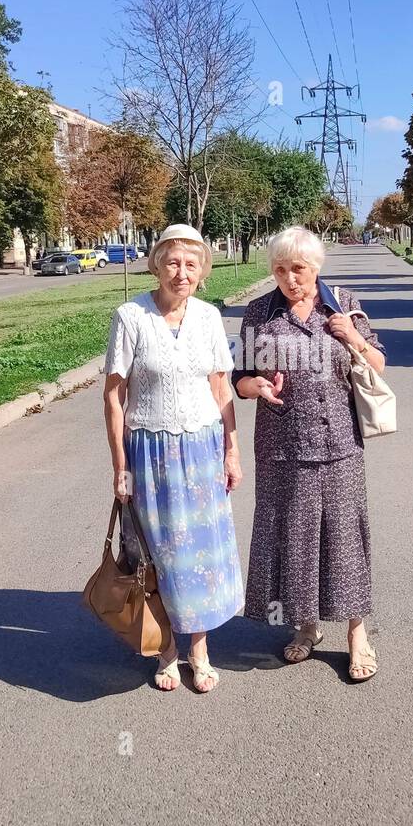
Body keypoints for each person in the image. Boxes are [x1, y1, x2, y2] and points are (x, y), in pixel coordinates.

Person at [232, 225, 386, 681]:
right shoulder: (259, 312)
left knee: (343, 536)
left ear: (315, 268)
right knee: (296, 540)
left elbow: (379, 364)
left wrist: (352, 339)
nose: (289, 278)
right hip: (281, 447)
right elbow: (238, 378)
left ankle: (358, 634)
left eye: (298, 268)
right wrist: (254, 385)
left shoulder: (342, 302)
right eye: (280, 269)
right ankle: (305, 628)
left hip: (340, 443)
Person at [102, 223, 244, 693]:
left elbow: (221, 388)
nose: (181, 273)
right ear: (156, 264)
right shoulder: (131, 316)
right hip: (151, 452)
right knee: (158, 552)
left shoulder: (207, 318)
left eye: (191, 264)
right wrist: (120, 466)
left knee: (198, 555)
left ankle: (199, 650)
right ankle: (165, 649)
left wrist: (232, 449)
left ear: (202, 271)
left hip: (202, 448)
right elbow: (114, 396)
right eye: (173, 263)